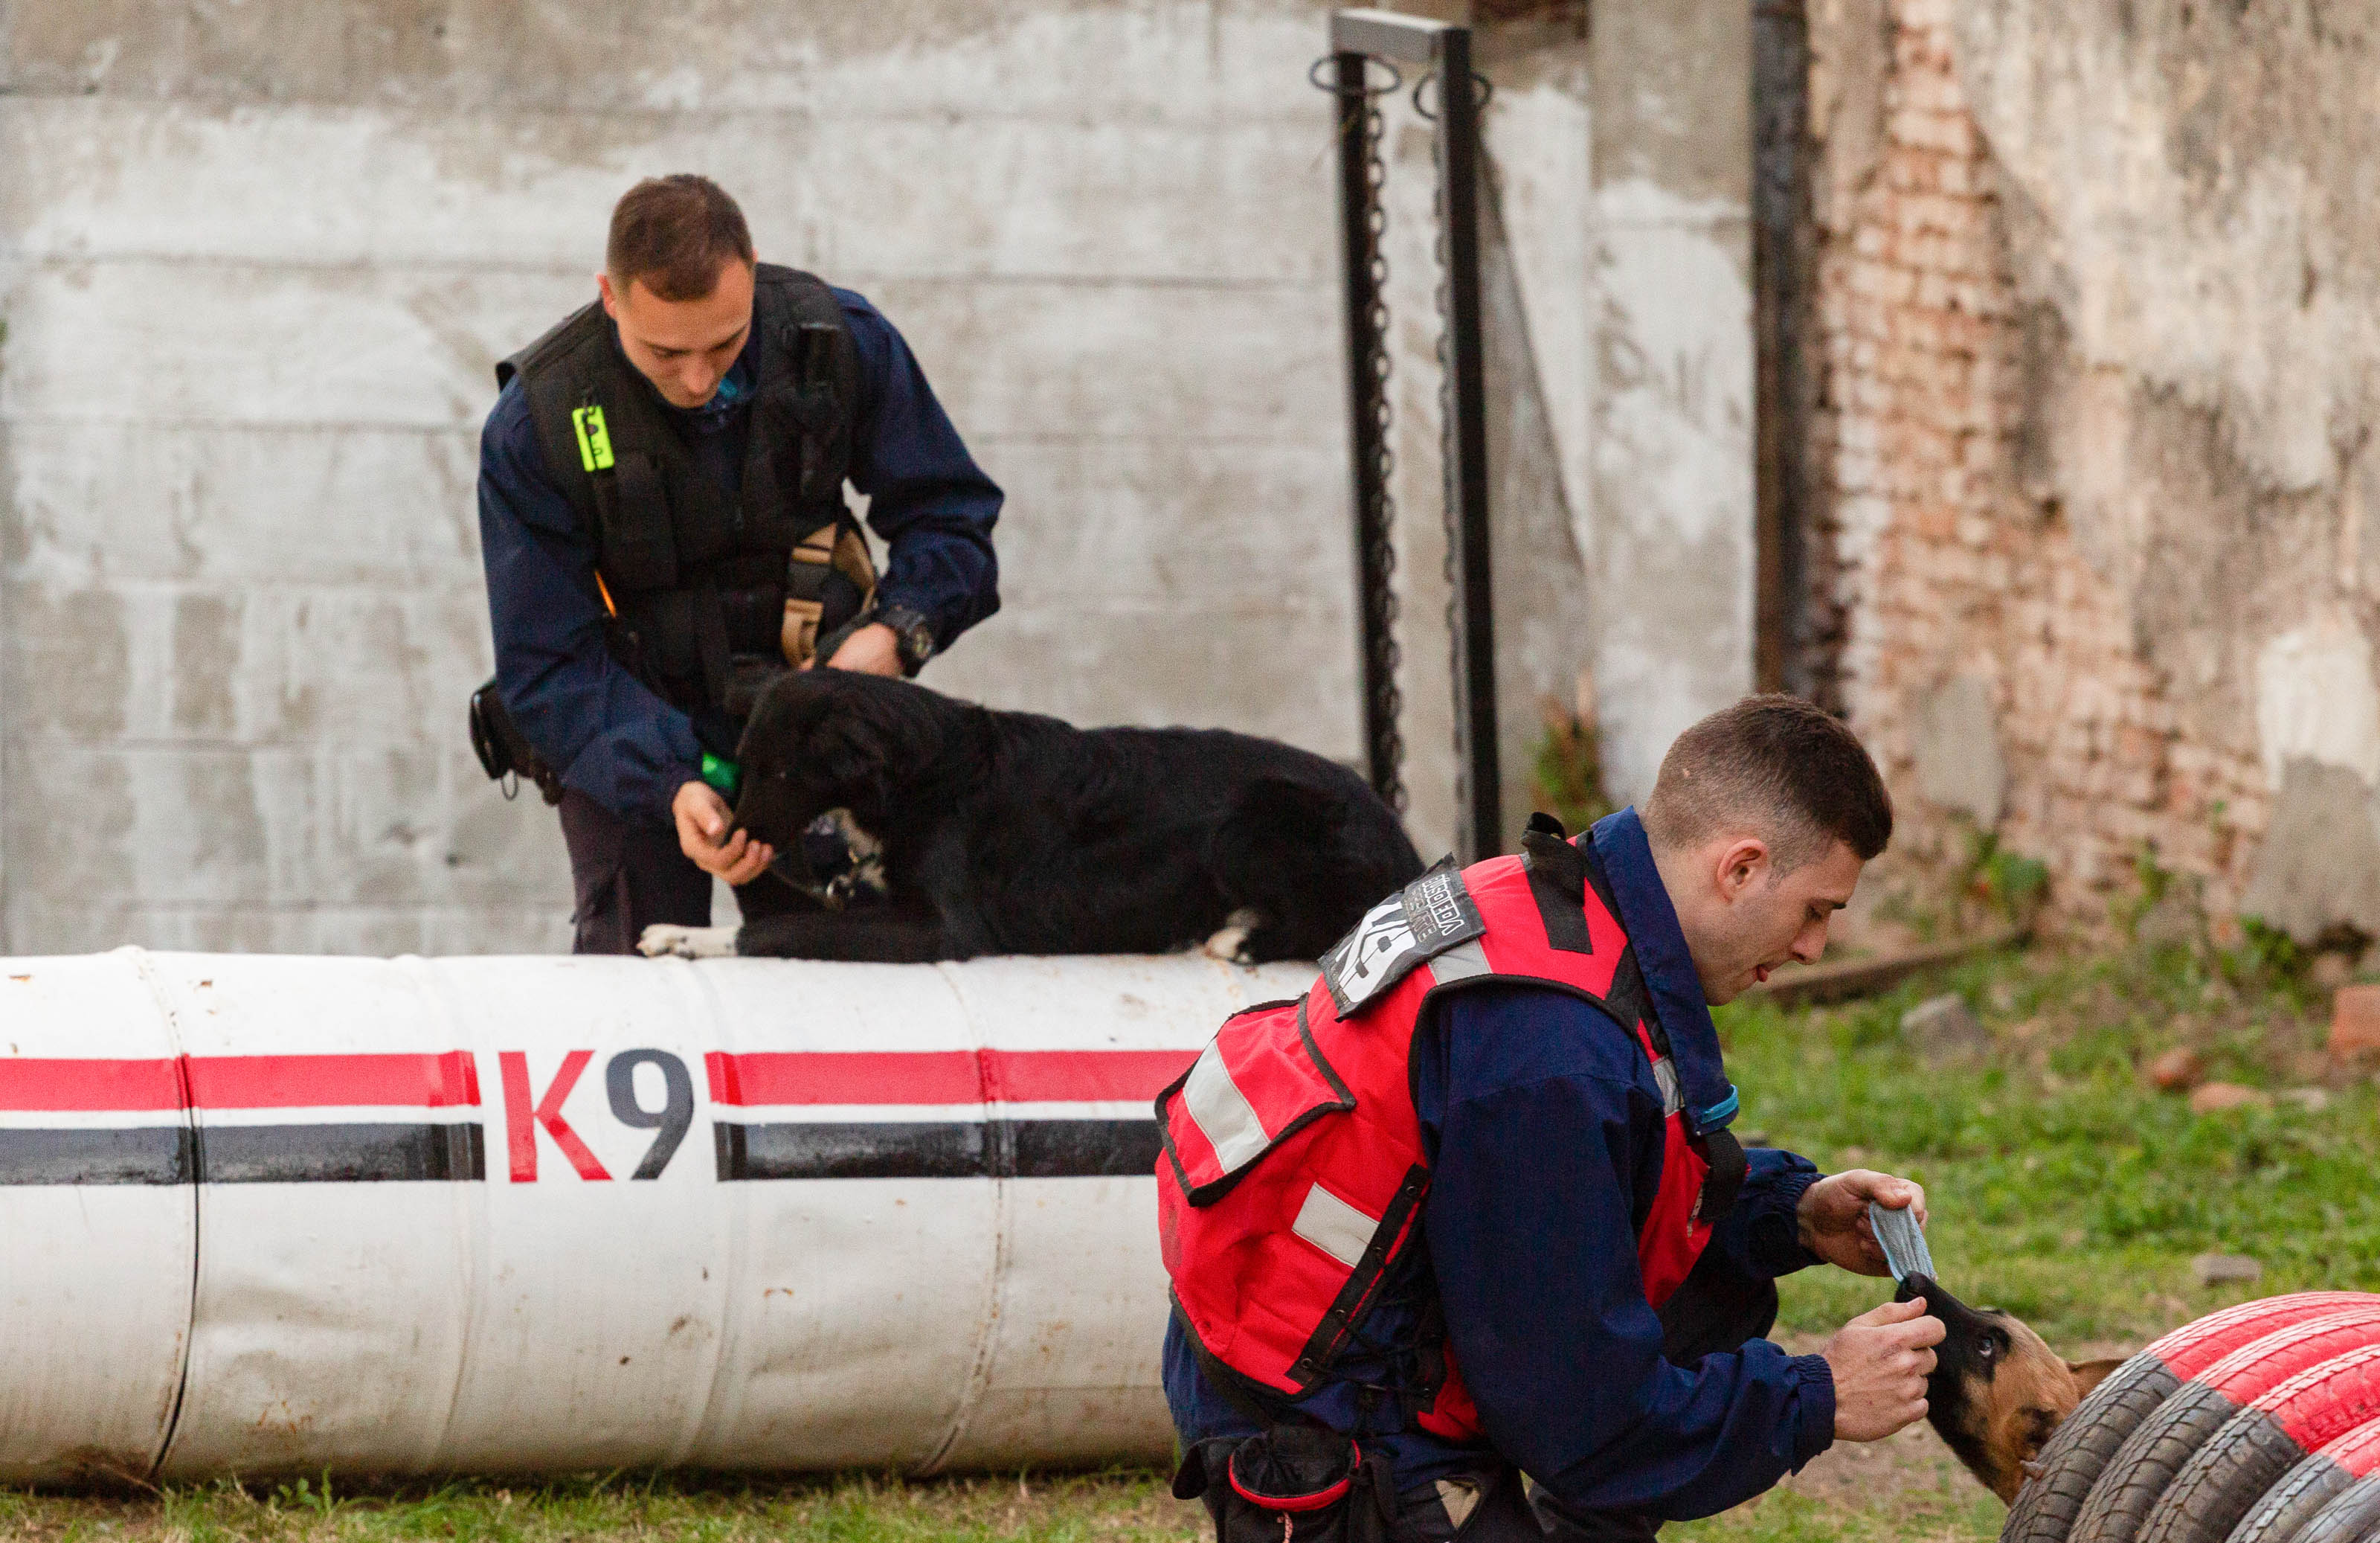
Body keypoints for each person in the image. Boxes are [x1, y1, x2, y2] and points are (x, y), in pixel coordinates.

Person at [1156, 695, 1946, 1542]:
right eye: (1816, 910)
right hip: (1328, 1437)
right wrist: (1820, 1391)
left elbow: (1605, 1177)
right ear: (1740, 868)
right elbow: (1583, 1411)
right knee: (1606, 1414)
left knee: (1712, 1297)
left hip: (1360, 1336)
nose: (1812, 949)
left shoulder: (1553, 898)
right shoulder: (1549, 1050)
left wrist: (1788, 1212)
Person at [477, 175, 1001, 952]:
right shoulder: (540, 423)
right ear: (609, 298)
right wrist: (673, 783)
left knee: (855, 973)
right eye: (664, 351)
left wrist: (892, 636)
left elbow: (950, 522)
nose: (698, 379)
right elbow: (548, 664)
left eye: (723, 343)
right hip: (628, 729)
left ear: (751, 273)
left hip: (813, 722)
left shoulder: (839, 341)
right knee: (635, 972)